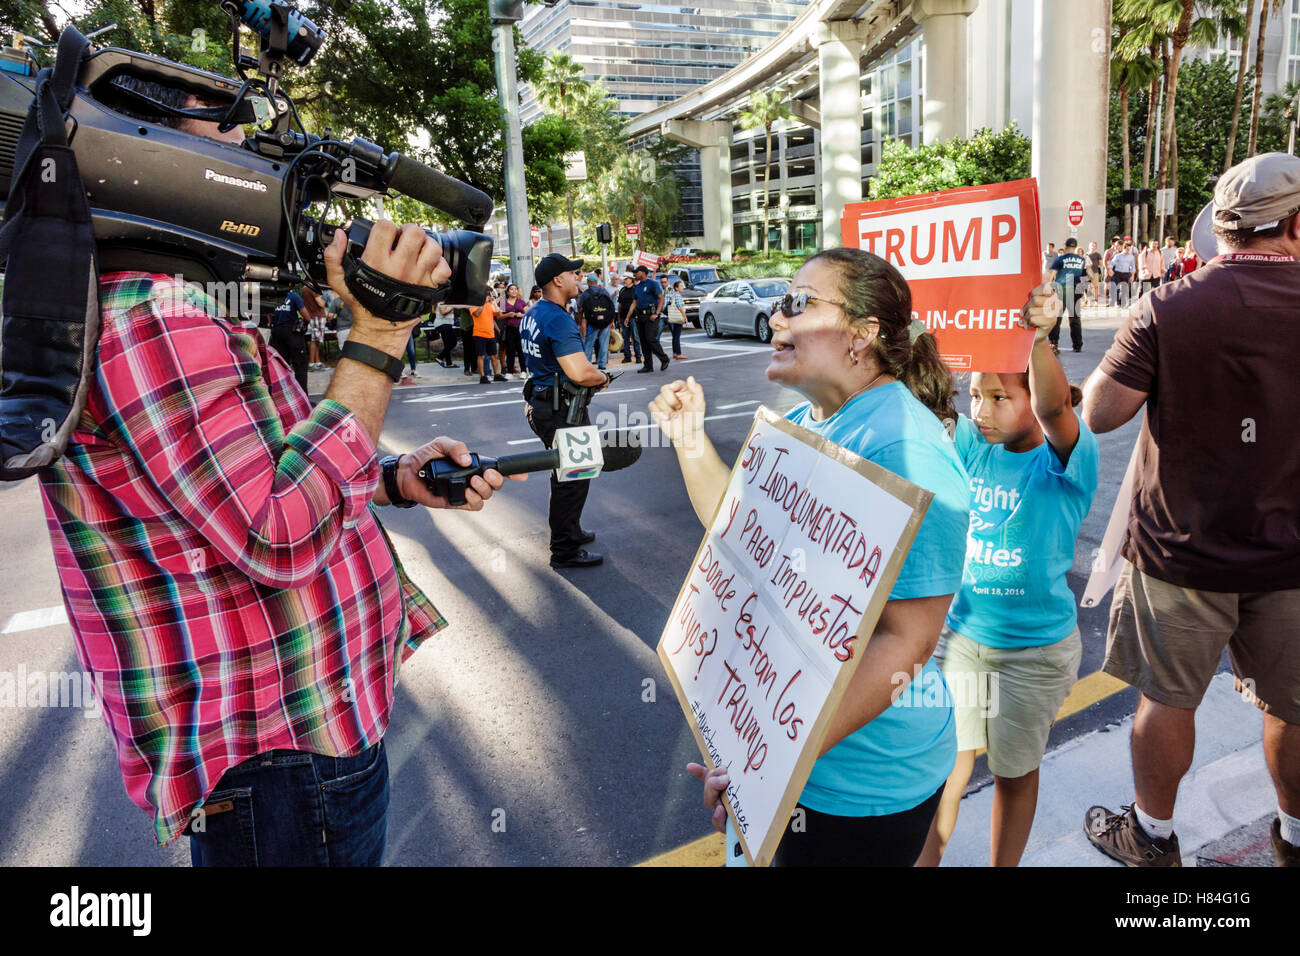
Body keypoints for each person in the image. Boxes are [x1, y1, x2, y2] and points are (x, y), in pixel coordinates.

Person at [31, 93, 515, 865]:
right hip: (281, 755)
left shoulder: (179, 299)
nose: (251, 148)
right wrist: (383, 330)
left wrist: (391, 479)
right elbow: (275, 533)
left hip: (300, 739)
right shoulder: (158, 313)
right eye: (224, 125)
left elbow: (260, 474)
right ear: (149, 150)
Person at [656, 247, 970, 866]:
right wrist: (690, 440)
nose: (776, 318)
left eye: (798, 304)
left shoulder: (906, 449)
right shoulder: (811, 420)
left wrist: (765, 766)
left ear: (861, 333)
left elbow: (905, 643)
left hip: (859, 784)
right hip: (806, 767)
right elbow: (743, 532)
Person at [1080, 152, 1300, 868]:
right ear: (1296, 225)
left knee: (1167, 698)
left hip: (1181, 551)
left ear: (1223, 230)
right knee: (1293, 706)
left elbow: (1101, 415)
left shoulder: (1168, 306)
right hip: (1293, 555)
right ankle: (1294, 840)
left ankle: (1150, 837)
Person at [916, 284, 1100, 867]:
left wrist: (1041, 338)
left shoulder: (1065, 460)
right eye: (977, 395)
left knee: (1014, 773)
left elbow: (1052, 410)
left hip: (1034, 653)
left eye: (999, 397)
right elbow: (932, 397)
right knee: (948, 764)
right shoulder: (974, 447)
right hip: (962, 638)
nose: (982, 410)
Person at [521, 253, 612, 569]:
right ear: (558, 280)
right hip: (561, 410)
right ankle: (565, 550)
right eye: (574, 273)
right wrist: (602, 377)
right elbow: (581, 372)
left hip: (544, 403)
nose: (580, 277)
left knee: (566, 473)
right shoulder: (558, 319)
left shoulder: (533, 313)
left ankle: (569, 530)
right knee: (573, 477)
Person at [1047, 237, 1087, 353]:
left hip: (1062, 288)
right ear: (1075, 247)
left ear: (1065, 246)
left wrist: (1049, 287)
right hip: (1075, 288)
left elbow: (1052, 274)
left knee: (1057, 317)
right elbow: (1084, 275)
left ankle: (1054, 343)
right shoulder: (1081, 260)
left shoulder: (1060, 259)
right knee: (1075, 318)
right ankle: (1077, 345)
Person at [269, 287, 312, 392]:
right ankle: (303, 397)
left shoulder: (271, 296)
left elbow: (269, 316)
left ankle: (281, 396)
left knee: (279, 367)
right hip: (292, 332)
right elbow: (307, 317)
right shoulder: (293, 296)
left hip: (277, 333)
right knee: (300, 366)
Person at [632, 264, 669, 374]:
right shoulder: (637, 286)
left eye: (637, 272)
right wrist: (628, 317)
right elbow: (634, 303)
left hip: (651, 315)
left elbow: (661, 299)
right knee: (643, 341)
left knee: (650, 338)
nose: (635, 274)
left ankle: (664, 358)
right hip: (640, 316)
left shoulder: (653, 284)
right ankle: (648, 366)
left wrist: (657, 313)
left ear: (643, 273)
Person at [576, 274, 617, 371]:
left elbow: (580, 309)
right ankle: (602, 363)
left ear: (589, 282)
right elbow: (611, 306)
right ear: (597, 282)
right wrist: (611, 320)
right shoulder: (604, 291)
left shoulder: (586, 293)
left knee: (589, 343)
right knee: (604, 343)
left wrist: (580, 321)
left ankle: (587, 364)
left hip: (592, 322)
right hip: (605, 322)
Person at [470, 289, 507, 384]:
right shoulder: (473, 304)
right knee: (481, 356)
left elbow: (499, 314)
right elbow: (477, 314)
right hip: (479, 334)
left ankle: (497, 374)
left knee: (494, 356)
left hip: (490, 333)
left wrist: (494, 302)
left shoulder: (490, 304)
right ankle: (483, 376)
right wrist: (484, 302)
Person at [498, 283, 528, 377]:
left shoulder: (521, 302)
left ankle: (523, 370)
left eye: (515, 289)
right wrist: (508, 315)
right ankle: (509, 371)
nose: (514, 291)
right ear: (507, 292)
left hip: (520, 328)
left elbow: (528, 314)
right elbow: (499, 316)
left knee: (521, 349)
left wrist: (520, 315)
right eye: (511, 289)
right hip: (509, 328)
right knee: (510, 350)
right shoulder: (503, 302)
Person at [617, 273, 642, 366]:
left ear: (631, 279)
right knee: (625, 337)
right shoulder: (622, 290)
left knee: (635, 337)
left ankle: (638, 356)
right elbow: (619, 304)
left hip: (634, 317)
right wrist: (619, 317)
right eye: (624, 279)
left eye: (626, 279)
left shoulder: (636, 289)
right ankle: (627, 356)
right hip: (623, 317)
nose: (625, 280)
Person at [665, 278, 689, 359]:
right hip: (677, 317)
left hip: (670, 316)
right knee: (677, 336)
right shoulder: (677, 295)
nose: (682, 287)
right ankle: (678, 354)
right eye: (681, 286)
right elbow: (680, 307)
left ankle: (675, 353)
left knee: (674, 336)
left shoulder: (670, 293)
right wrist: (684, 317)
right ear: (676, 288)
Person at [1110, 240, 1137, 307]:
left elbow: (1133, 267)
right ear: (1124, 248)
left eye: (1129, 249)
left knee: (1125, 289)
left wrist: (1132, 275)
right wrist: (1110, 270)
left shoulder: (1131, 257)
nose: (1128, 250)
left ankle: (1122, 302)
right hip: (1117, 273)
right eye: (1127, 249)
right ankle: (1117, 302)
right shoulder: (1118, 256)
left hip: (1126, 274)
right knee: (1117, 288)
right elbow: (1111, 264)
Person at [434, 302, 459, 368]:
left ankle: (449, 363)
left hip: (447, 324)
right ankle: (439, 357)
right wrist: (453, 307)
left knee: (447, 344)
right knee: (453, 342)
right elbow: (443, 312)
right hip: (443, 324)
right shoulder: (442, 302)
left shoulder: (448, 302)